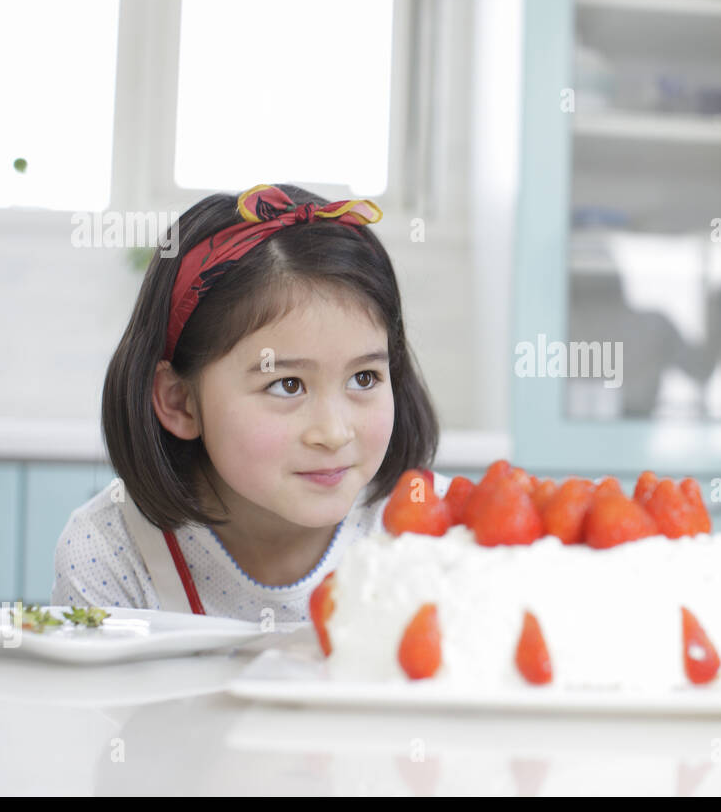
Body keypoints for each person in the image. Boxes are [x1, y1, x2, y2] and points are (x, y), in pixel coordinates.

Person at [52, 184, 440, 621]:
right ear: (180, 402)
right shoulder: (108, 550)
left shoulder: (438, 528)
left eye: (364, 378)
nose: (334, 432)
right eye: (288, 385)